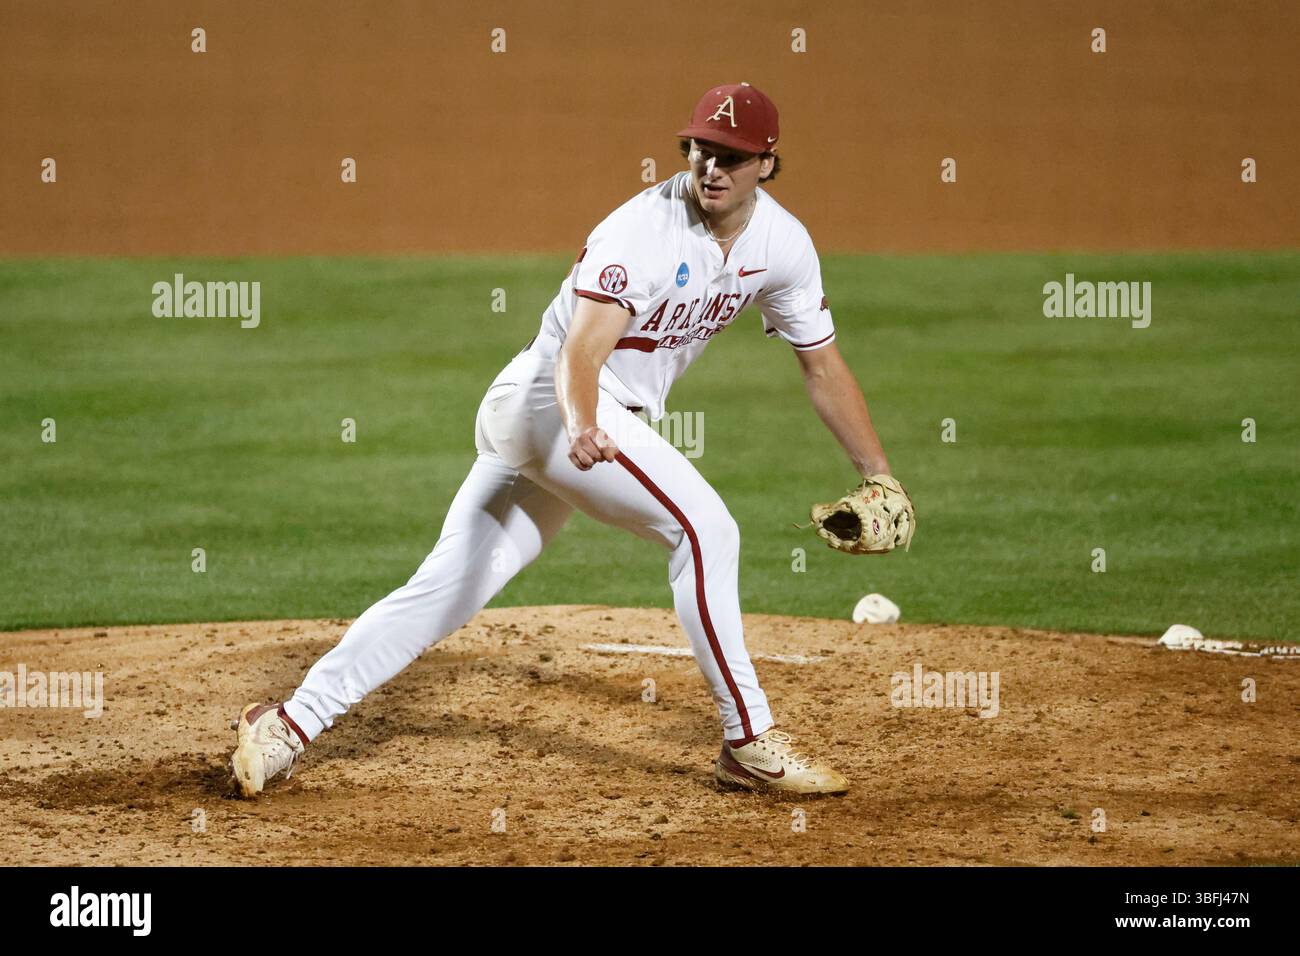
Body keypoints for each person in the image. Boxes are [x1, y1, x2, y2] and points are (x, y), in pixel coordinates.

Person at [231, 82, 900, 798]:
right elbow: (581, 353)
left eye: (732, 156)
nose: (712, 167)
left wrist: (881, 476)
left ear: (766, 163)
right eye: (702, 149)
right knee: (707, 532)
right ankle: (747, 741)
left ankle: (286, 725)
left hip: (569, 422)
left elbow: (821, 363)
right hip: (548, 404)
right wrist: (583, 422)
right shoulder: (642, 231)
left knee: (448, 586)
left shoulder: (783, 245)